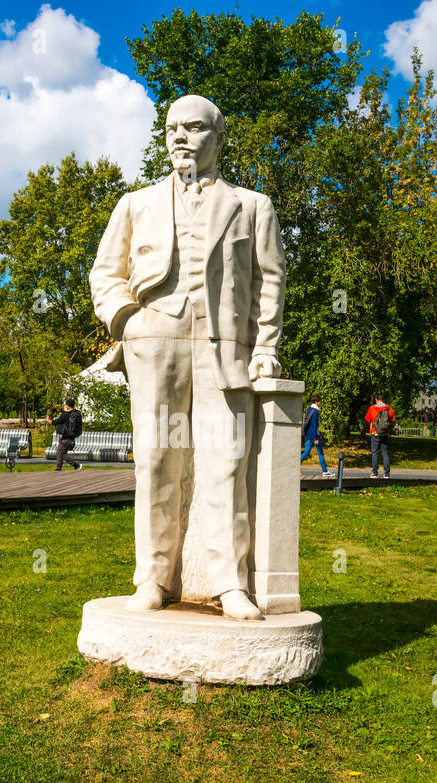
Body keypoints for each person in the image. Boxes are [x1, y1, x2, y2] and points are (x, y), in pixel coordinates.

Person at [90, 94, 285, 620]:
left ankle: (229, 584)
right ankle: (154, 578)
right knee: (157, 462)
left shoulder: (252, 205)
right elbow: (104, 274)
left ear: (219, 139)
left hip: (226, 349)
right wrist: (128, 323)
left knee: (225, 464)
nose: (180, 136)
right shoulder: (136, 203)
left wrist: (265, 346)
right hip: (156, 343)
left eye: (194, 127)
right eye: (172, 128)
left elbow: (269, 282)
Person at [364, 394, 395, 478]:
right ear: (383, 400)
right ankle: (387, 474)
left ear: (376, 400)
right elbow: (392, 421)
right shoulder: (389, 408)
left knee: (375, 453)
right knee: (385, 453)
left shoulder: (372, 408)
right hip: (385, 433)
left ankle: (374, 473)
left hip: (375, 433)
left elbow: (367, 419)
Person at [300, 395, 331, 476]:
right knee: (320, 453)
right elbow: (313, 425)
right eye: (320, 401)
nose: (321, 403)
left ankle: (293, 467)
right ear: (316, 402)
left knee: (306, 452)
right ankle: (325, 471)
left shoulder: (309, 409)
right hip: (314, 436)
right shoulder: (315, 411)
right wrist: (315, 438)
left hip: (308, 435)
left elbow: (310, 425)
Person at [51, 398, 83, 471]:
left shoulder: (66, 415)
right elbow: (67, 414)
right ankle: (58, 468)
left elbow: (54, 422)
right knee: (60, 452)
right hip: (72, 438)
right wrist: (61, 409)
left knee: (61, 453)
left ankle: (77, 465)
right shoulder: (76, 413)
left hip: (66, 438)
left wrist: (48, 419)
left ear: (67, 405)